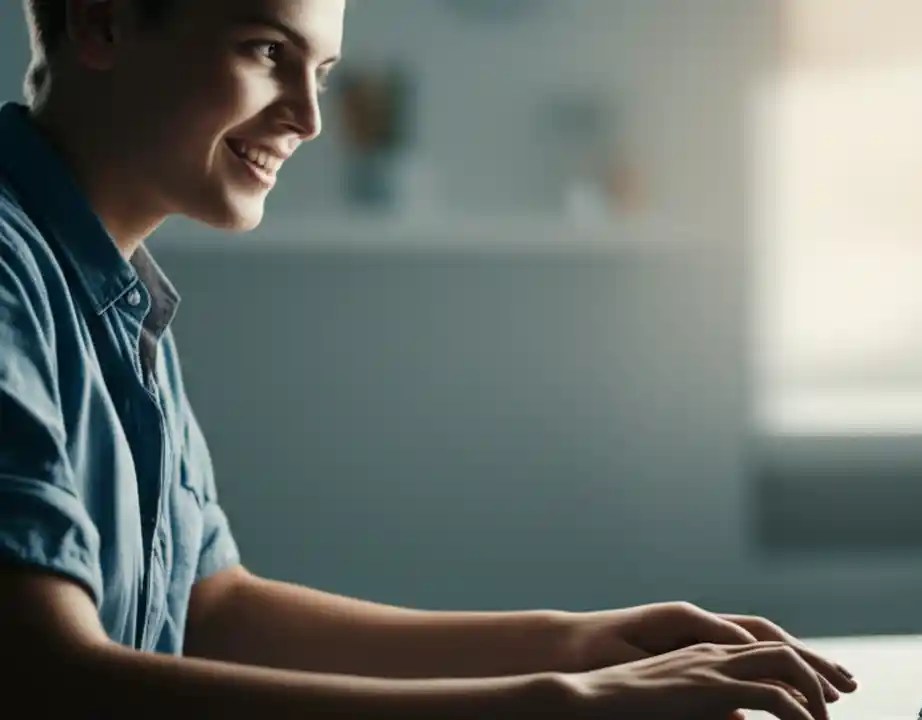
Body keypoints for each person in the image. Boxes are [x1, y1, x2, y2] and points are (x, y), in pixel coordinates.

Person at [0, 1, 858, 717]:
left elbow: (208, 606)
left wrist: (579, 641)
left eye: (323, 73)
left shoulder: (109, 290)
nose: (308, 116)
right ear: (101, 23)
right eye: (266, 50)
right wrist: (558, 702)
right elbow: (46, 677)